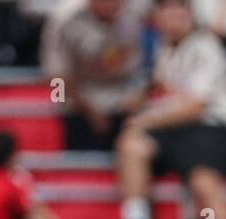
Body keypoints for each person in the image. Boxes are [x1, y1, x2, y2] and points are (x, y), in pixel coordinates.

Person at [115, 0, 226, 219]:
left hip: (212, 125)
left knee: (202, 179)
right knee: (132, 144)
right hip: (175, 127)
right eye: (167, 9)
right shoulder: (163, 50)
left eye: (180, 8)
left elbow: (196, 106)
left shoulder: (206, 47)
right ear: (157, 17)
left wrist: (145, 119)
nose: (174, 14)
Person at [41, 0, 148, 152]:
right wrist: (87, 110)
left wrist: (138, 94)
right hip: (78, 105)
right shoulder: (65, 20)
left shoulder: (133, 18)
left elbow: (141, 68)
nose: (109, 5)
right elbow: (56, 78)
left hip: (123, 104)